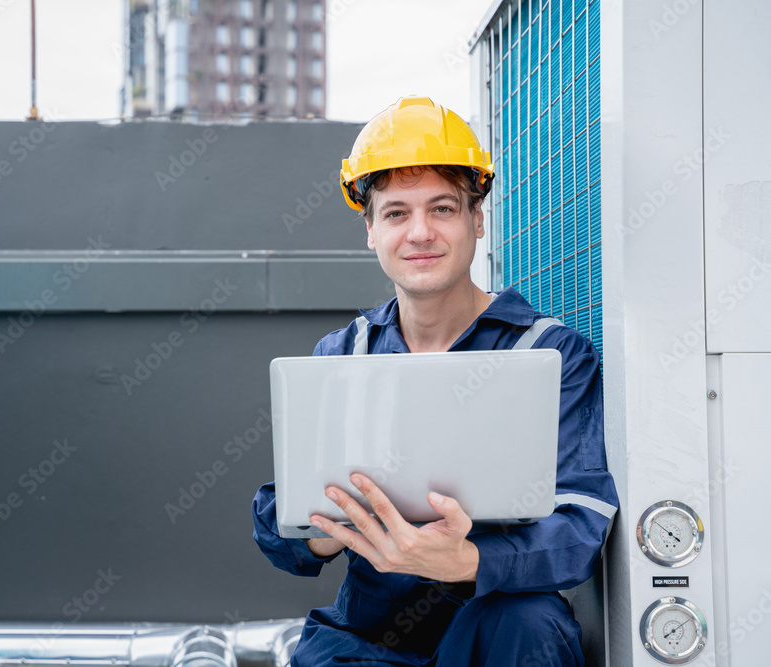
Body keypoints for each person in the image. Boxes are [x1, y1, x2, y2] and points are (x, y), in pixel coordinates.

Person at [251, 96, 618, 666]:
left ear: (476, 219)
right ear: (370, 230)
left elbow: (582, 522)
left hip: (496, 634)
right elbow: (281, 521)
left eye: (442, 209)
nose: (420, 232)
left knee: (528, 617)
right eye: (396, 213)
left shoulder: (547, 353)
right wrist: (324, 530)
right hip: (369, 638)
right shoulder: (342, 356)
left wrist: (465, 562)